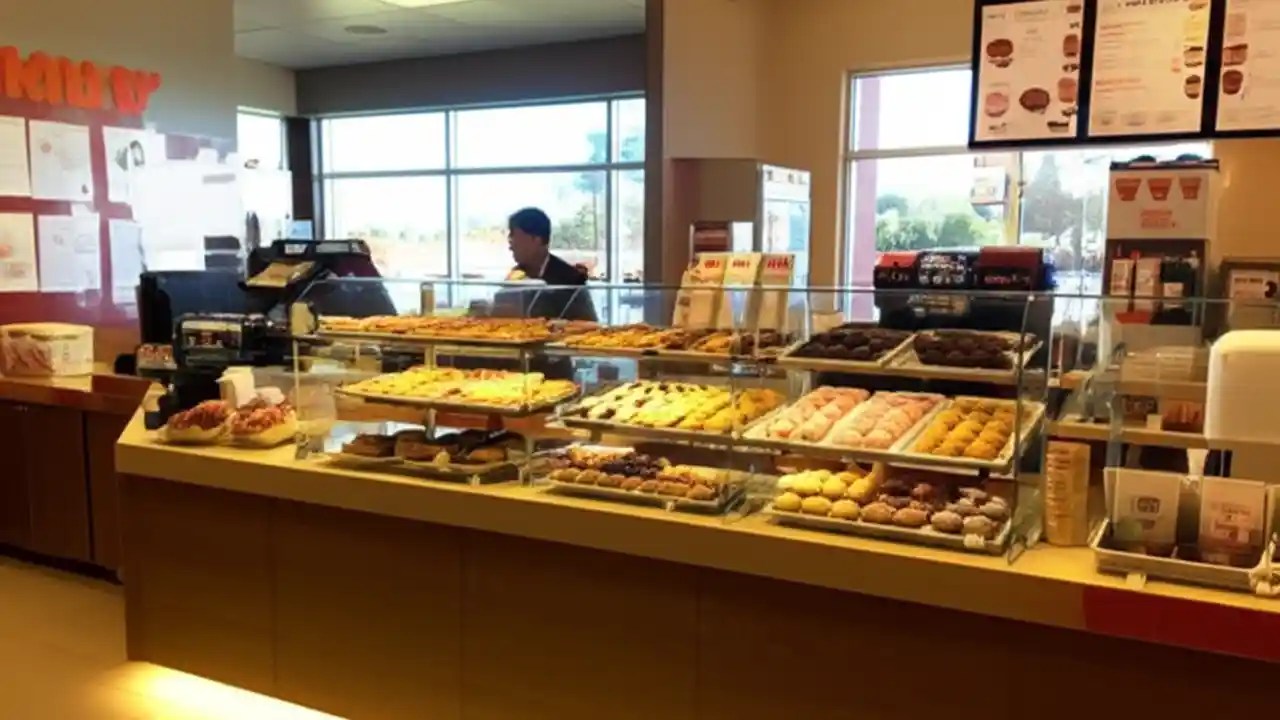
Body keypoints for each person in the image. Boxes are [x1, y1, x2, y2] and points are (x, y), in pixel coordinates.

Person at [502, 207, 598, 322]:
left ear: (535, 239)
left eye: (513, 234)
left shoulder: (570, 279)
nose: (510, 244)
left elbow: (590, 325)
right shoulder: (514, 277)